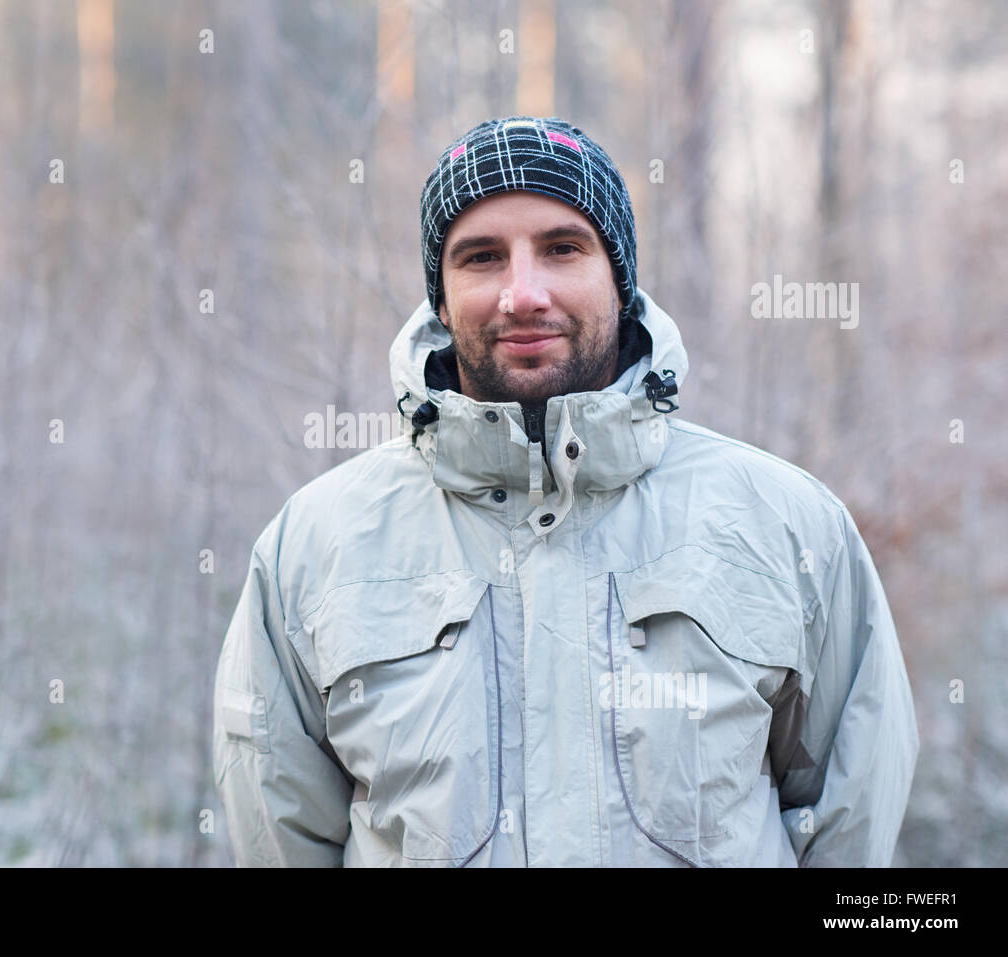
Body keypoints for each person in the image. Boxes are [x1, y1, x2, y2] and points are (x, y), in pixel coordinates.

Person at [211, 115, 919, 867]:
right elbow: (282, 832)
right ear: (441, 302)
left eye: (562, 248)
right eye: (482, 257)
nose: (523, 293)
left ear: (618, 276)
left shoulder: (787, 524)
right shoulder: (314, 545)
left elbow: (850, 817)